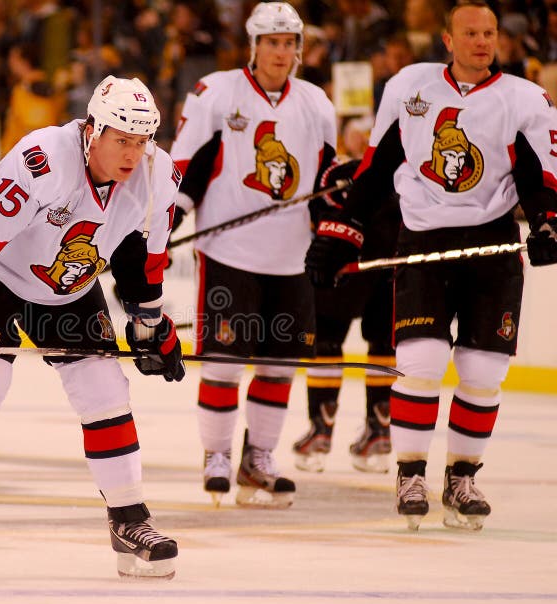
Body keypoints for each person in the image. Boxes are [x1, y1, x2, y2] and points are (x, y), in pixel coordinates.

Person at [0, 75, 186, 582]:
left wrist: (150, 325)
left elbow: (141, 257)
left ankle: (128, 519)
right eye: (121, 139)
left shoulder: (158, 175)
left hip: (69, 288)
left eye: (142, 141)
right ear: (92, 130)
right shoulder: (44, 157)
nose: (132, 153)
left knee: (104, 390)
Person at [305, 1, 557, 531]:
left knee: (484, 372)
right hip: (421, 238)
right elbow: (377, 169)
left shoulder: (525, 99)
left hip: (490, 243)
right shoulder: (409, 88)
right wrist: (340, 232)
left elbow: (539, 178)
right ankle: (411, 473)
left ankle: (462, 476)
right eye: (471, 32)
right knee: (420, 361)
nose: (483, 41)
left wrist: (548, 223)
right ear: (447, 39)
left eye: (489, 32)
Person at [169, 2, 338, 508]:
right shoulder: (217, 93)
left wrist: (334, 234)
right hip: (229, 252)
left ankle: (258, 457)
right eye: (271, 42)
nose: (281, 52)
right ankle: (217, 455)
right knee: (223, 361)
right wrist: (170, 219)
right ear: (254, 45)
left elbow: (326, 182)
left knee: (278, 364)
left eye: (289, 43)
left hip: (291, 257)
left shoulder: (317, 103)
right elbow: (186, 164)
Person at [292, 158, 401, 474]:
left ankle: (320, 432)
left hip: (348, 255)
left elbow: (320, 206)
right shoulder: (406, 160)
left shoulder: (339, 171)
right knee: (384, 343)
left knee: (326, 339)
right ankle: (379, 432)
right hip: (391, 260)